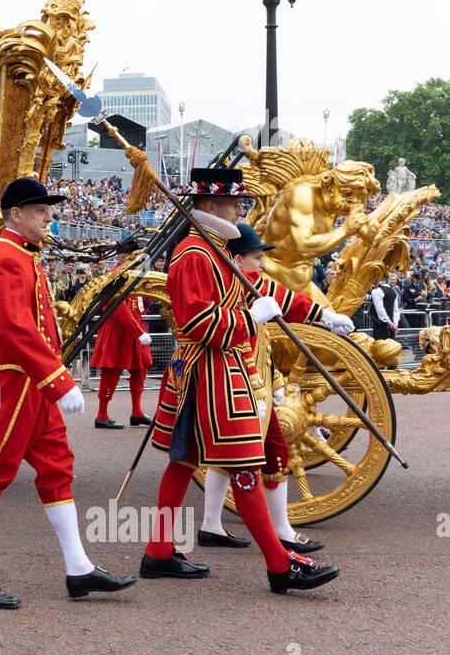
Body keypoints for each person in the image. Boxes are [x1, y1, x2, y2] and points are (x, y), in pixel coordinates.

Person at [141, 168, 344, 593]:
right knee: (244, 466)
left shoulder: (217, 249)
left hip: (218, 370)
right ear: (211, 207)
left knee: (182, 463)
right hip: (211, 370)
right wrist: (250, 320)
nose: (240, 209)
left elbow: (266, 291)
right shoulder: (195, 253)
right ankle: (278, 563)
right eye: (235, 204)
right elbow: (199, 322)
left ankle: (159, 552)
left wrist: (321, 314)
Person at [0, 177, 136, 608]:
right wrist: (57, 379)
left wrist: (51, 379)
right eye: (41, 211)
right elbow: (15, 329)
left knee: (57, 468)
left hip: (31, 386)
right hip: (10, 383)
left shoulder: (22, 255)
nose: (49, 217)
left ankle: (78, 567)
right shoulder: (4, 257)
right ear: (16, 214)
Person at [197, 223, 340, 555]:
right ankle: (280, 531)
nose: (262, 265)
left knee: (222, 457)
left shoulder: (246, 283)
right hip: (242, 383)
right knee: (276, 451)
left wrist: (323, 313)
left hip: (257, 381)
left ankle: (211, 525)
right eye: (257, 258)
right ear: (238, 258)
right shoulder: (233, 287)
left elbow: (284, 299)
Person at [90, 294, 152, 430]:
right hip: (117, 328)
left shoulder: (136, 275)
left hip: (135, 326)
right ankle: (102, 415)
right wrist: (138, 332)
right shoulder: (117, 275)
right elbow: (119, 306)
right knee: (111, 371)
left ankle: (137, 412)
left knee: (140, 368)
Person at [369, 274, 401, 340]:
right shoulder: (393, 291)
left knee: (380, 346)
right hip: (391, 325)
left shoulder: (376, 291)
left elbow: (380, 310)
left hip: (380, 326)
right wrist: (395, 323)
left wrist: (390, 323)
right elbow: (396, 310)